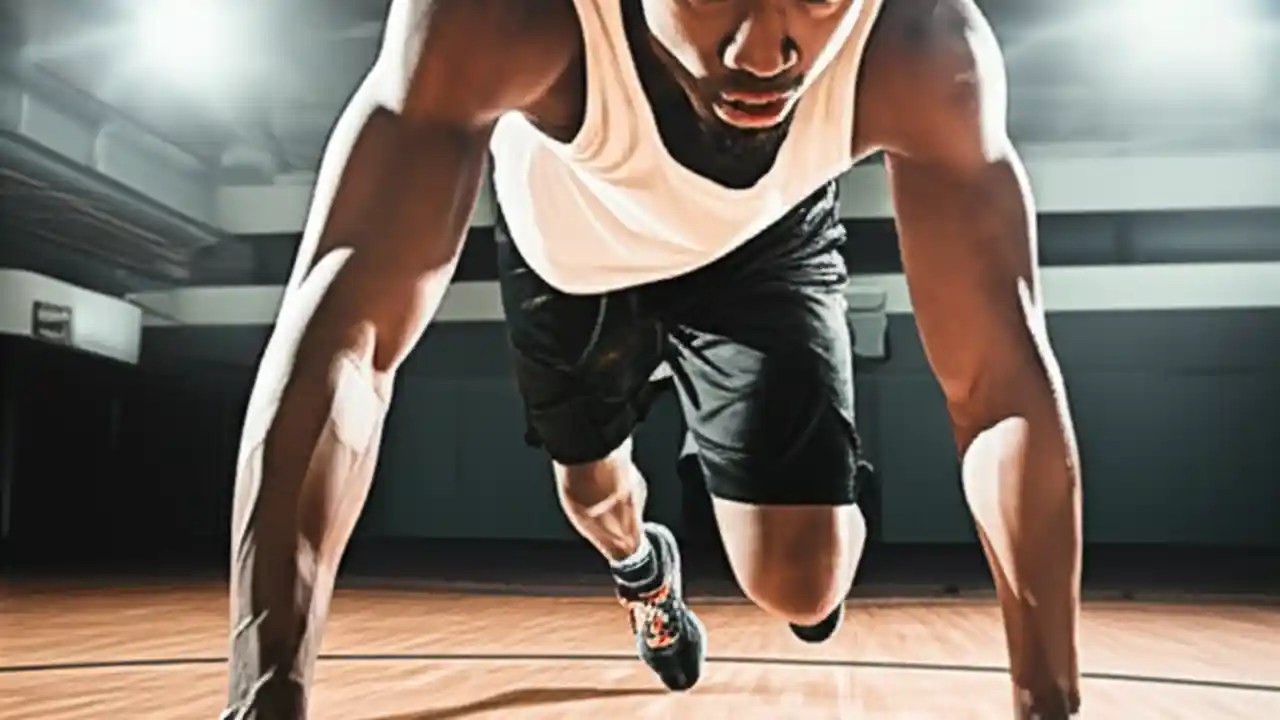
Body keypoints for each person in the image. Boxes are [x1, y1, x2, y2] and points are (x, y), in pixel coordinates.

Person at [221, 0, 1084, 718]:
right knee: (593, 498)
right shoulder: (503, 18)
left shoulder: (921, 45)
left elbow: (1000, 383)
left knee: (807, 587)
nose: (764, 51)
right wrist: (265, 696)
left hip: (764, 245)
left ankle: (771, 470)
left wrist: (1049, 703)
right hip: (572, 250)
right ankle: (644, 571)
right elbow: (347, 345)